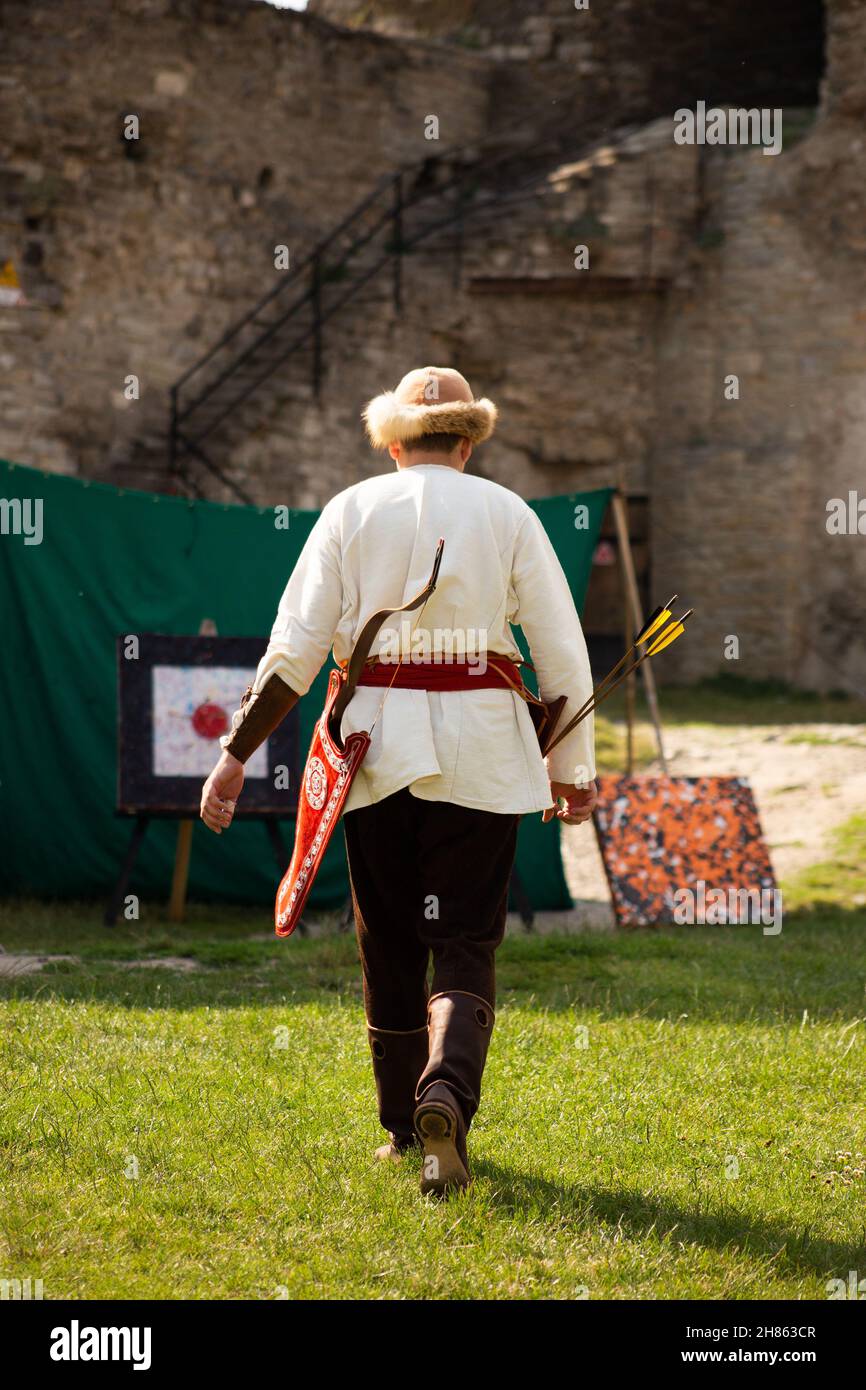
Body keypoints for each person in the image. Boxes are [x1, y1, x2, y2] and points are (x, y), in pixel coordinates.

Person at [200, 366, 597, 1196]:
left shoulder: (350, 509)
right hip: (484, 755)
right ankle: (444, 1093)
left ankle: (399, 1129)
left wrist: (235, 754)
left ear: (390, 442)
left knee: (388, 938)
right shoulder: (509, 512)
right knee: (464, 938)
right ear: (468, 440)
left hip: (373, 753)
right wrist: (573, 768)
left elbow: (296, 648)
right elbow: (561, 651)